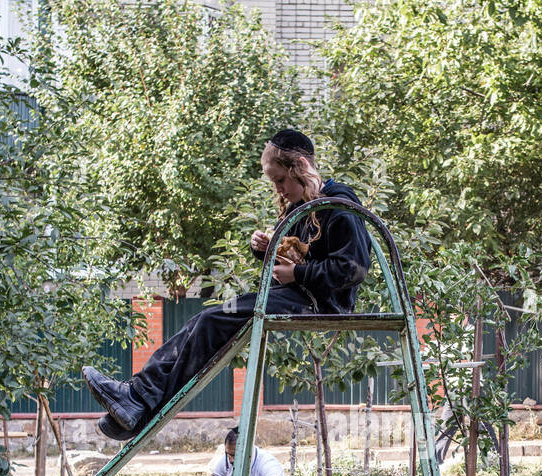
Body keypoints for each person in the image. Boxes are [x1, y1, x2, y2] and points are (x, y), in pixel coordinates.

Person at [82, 129, 371, 441]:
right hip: (295, 295)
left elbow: (353, 268)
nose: (278, 188)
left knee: (209, 320)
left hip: (321, 303)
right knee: (201, 321)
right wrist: (265, 249)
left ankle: (137, 401)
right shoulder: (298, 207)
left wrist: (298, 275)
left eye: (280, 179)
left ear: (300, 167)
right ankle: (137, 406)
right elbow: (294, 261)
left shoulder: (338, 203)